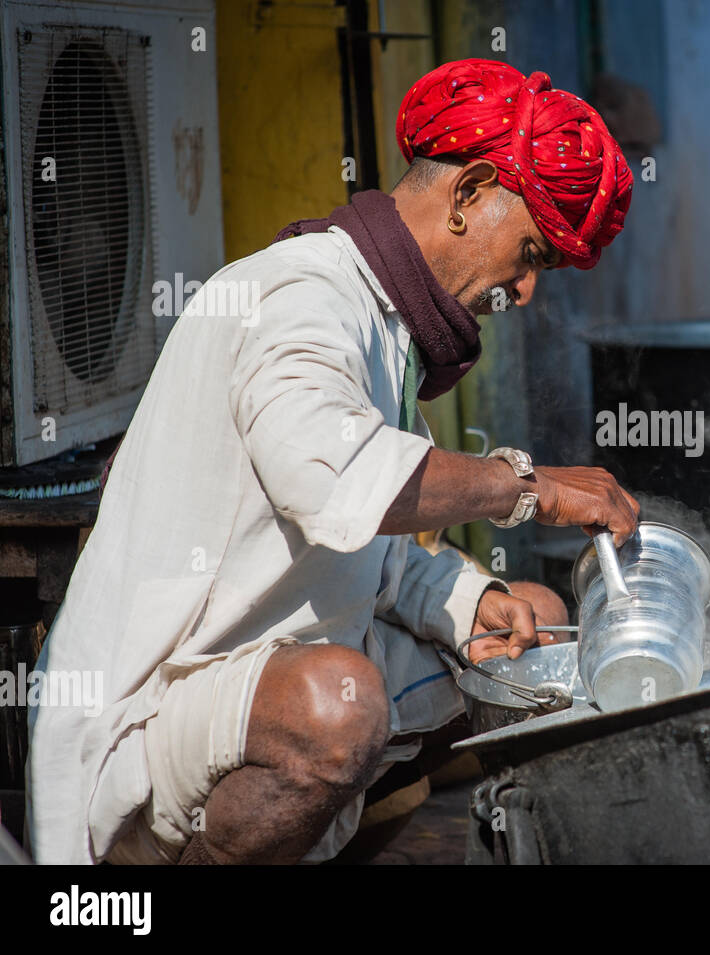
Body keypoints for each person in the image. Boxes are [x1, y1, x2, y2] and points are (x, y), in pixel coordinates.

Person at [26, 58, 637, 865]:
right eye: (530, 252)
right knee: (339, 707)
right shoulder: (303, 298)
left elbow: (368, 553)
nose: (525, 291)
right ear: (470, 192)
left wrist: (472, 601)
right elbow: (341, 484)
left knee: (529, 633)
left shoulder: (385, 330)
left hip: (268, 679)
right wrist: (530, 489)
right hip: (152, 717)